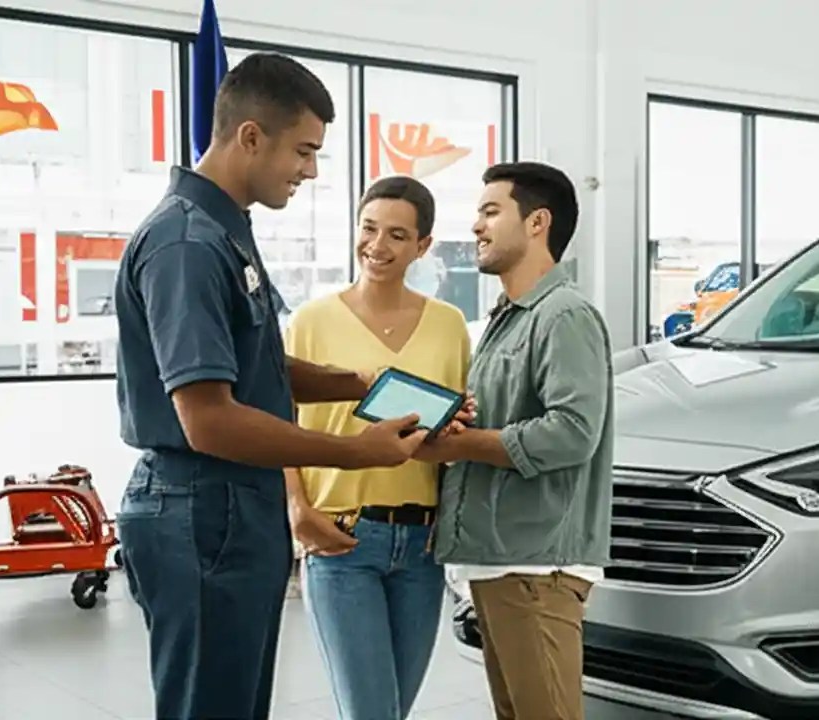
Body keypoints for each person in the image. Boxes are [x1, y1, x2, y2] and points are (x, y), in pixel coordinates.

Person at [112, 53, 446, 720]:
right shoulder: (188, 244)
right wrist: (358, 451)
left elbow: (256, 365)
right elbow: (209, 419)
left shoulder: (226, 231)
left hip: (233, 504)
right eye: (304, 151)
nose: (311, 171)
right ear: (251, 138)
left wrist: (357, 384)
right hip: (201, 502)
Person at [418, 161, 615, 720]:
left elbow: (573, 432)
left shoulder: (564, 315)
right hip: (501, 562)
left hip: (536, 567)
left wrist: (460, 446)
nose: (476, 227)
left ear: (537, 223)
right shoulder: (508, 319)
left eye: (489, 211)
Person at [281, 174, 471, 720]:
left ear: (422, 246)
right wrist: (297, 509)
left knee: (392, 711)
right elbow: (282, 425)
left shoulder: (449, 325)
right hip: (341, 538)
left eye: (396, 235)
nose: (377, 246)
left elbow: (448, 430)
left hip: (422, 546)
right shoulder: (310, 322)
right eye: (368, 229)